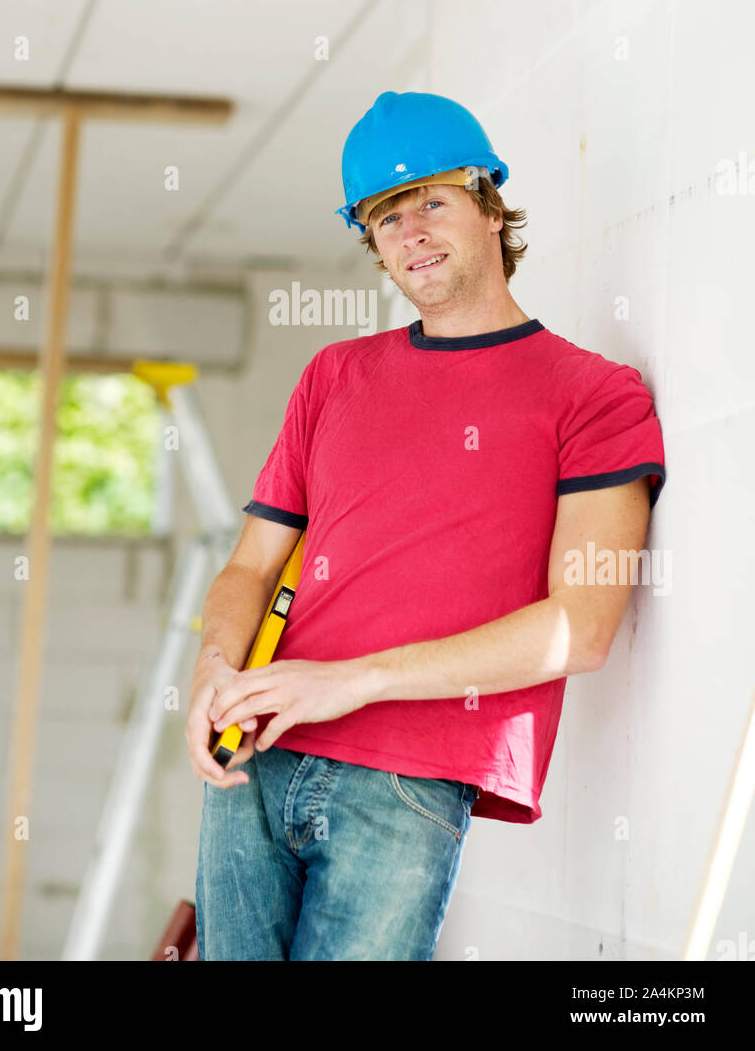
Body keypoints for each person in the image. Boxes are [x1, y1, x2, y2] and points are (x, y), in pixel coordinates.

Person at [187, 90, 666, 961]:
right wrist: (216, 666)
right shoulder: (335, 376)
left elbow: (582, 626)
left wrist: (349, 682)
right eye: (384, 217)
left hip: (409, 781)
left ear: (490, 206)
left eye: (432, 201)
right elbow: (251, 567)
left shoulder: (595, 395)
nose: (409, 230)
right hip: (256, 758)